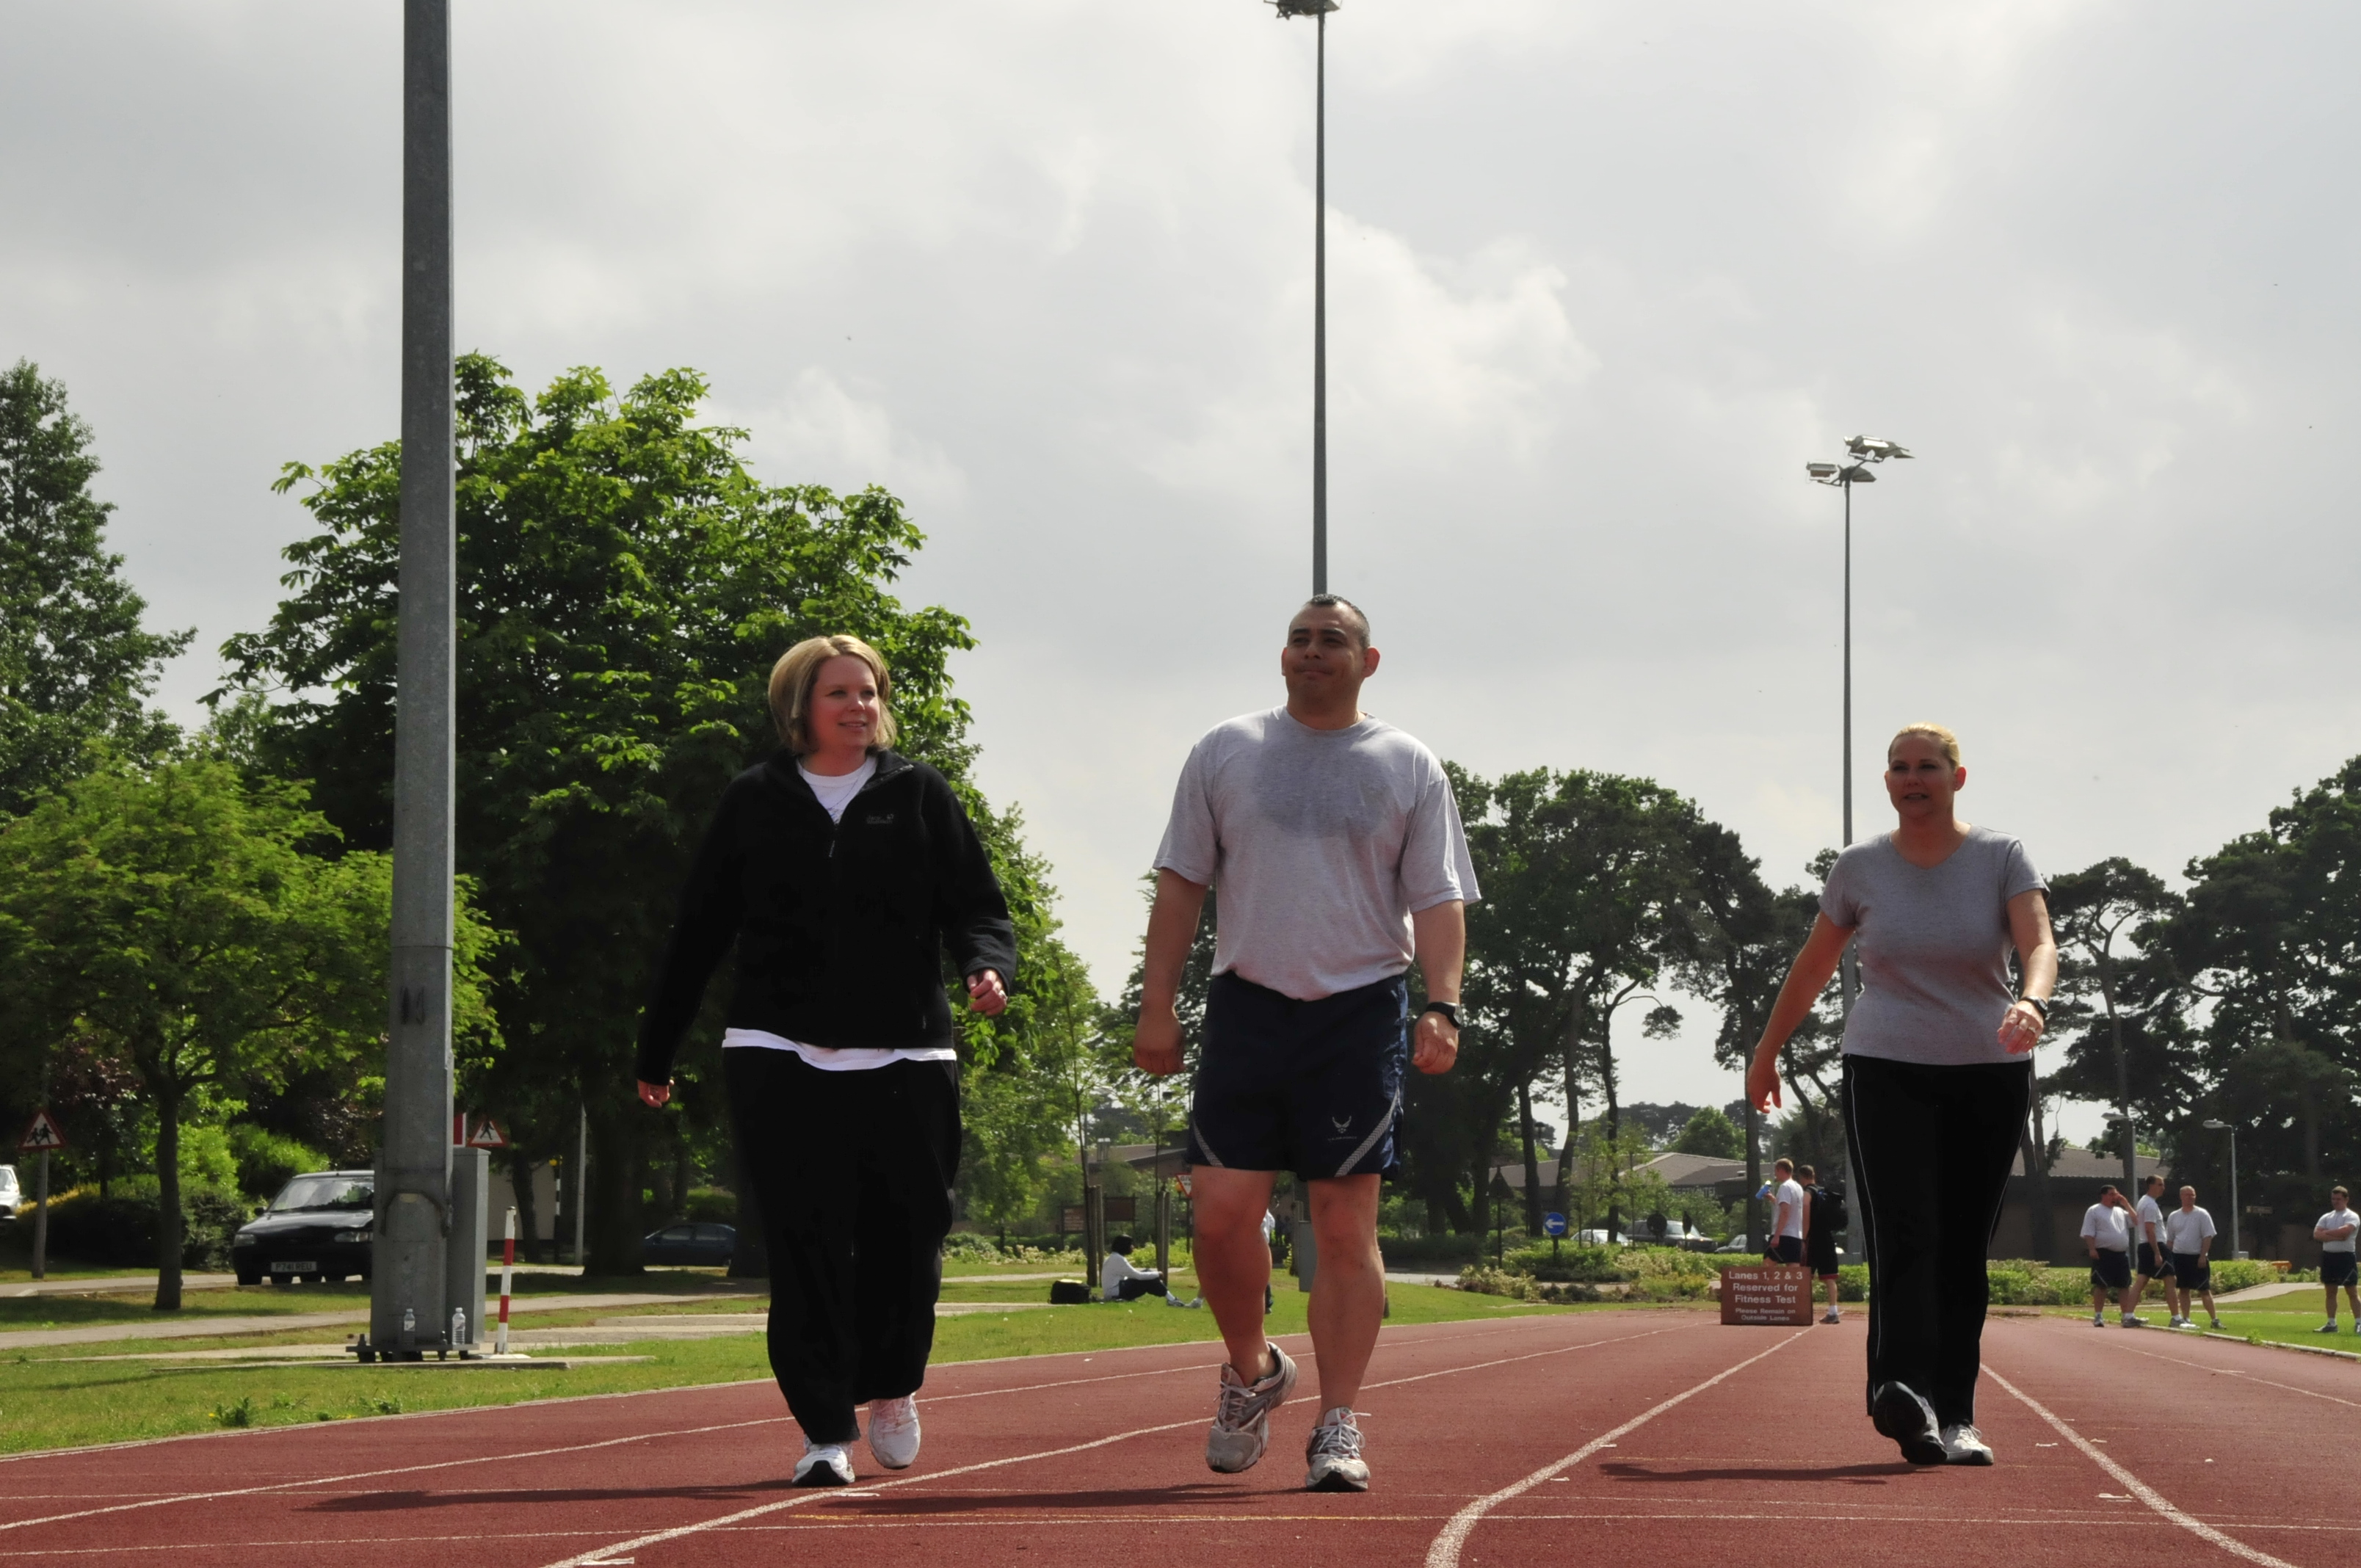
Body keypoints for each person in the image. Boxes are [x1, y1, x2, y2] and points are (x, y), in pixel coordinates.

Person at [634, 634, 1016, 1489]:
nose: (859, 706)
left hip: (908, 1050)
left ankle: (892, 1386)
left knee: (909, 1238)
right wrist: (656, 1048)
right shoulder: (754, 801)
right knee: (802, 1245)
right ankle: (822, 1430)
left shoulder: (919, 794)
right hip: (778, 1048)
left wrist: (987, 966)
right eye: (840, 693)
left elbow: (977, 906)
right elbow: (698, 932)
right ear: (800, 706)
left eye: (870, 692)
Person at [1133, 595, 1476, 1495]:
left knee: (1341, 1223)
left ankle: (1338, 1421)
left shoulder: (1407, 763)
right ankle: (1252, 1371)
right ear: (1280, 656)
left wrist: (1441, 1006)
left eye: (1333, 640)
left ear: (1369, 662)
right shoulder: (1225, 751)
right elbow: (1180, 887)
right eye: (1298, 638)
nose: (1312, 651)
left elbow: (1439, 901)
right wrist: (1156, 1004)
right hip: (1246, 1007)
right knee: (1217, 1217)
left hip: (1357, 1013)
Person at [1747, 722, 2054, 1469]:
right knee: (1904, 1232)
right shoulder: (1860, 867)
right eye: (1898, 768)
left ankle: (1958, 1415)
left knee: (1961, 1248)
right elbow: (1814, 964)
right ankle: (1901, 1393)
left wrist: (2033, 1003)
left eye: (1927, 766)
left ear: (1958, 777)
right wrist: (1767, 1050)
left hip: (1988, 1068)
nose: (1912, 778)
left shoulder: (2001, 857)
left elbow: (2039, 941)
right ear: (1886, 782)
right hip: (1886, 1067)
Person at [2080, 1185, 2140, 1327]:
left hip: (2121, 1254)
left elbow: (2136, 1221)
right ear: (2104, 1195)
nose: (2115, 1197)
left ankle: (2126, 1316)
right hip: (2103, 1253)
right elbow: (2088, 1232)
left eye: (2116, 1194)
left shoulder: (2120, 1211)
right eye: (2112, 1194)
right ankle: (2098, 1316)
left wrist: (2126, 1204)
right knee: (2102, 1285)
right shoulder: (2094, 1210)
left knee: (2124, 1286)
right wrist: (2092, 1249)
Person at [2164, 1186, 2222, 1330]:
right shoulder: (2174, 1216)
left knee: (2204, 1290)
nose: (2191, 1198)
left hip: (2197, 1257)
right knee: (2184, 1289)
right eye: (2188, 1195)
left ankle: (2215, 1320)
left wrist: (2203, 1256)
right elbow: (2170, 1239)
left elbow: (2208, 1236)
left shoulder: (2202, 1214)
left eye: (2193, 1195)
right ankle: (2186, 1318)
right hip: (2179, 1257)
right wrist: (2167, 1258)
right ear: (2181, 1197)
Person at [1799, 1164, 1843, 1324]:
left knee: (1805, 1276)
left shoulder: (1808, 1193)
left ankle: (1802, 1311)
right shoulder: (1824, 1192)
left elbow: (1805, 1212)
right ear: (1814, 1175)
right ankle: (1833, 1312)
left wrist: (1804, 1239)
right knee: (1829, 1277)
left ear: (1802, 1177)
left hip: (1813, 1239)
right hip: (1828, 1238)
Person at [2316, 1187, 2360, 1332]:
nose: (2335, 1202)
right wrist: (2336, 1236)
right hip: (2329, 1257)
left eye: (2338, 1199)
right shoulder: (2326, 1217)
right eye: (2333, 1199)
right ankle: (2331, 1324)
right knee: (2330, 1292)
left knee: (2352, 1292)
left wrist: (2326, 1233)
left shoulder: (2351, 1216)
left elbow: (2346, 1232)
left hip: (2345, 1257)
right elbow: (2317, 1234)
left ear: (2346, 1199)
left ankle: (2359, 1323)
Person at [2133, 1174, 2170, 1312]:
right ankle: (2176, 1317)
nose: (2163, 1188)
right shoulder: (2150, 1205)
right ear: (2151, 1186)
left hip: (2145, 1245)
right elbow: (2150, 1230)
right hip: (2156, 1245)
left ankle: (2128, 1315)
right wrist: (2157, 1253)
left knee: (2141, 1280)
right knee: (2170, 1280)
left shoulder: (2144, 1201)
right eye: (2160, 1185)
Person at [1102, 1235, 1172, 1302]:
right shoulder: (1118, 1259)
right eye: (1131, 1245)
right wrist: (1157, 1274)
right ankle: (1172, 1299)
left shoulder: (1113, 1257)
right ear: (1125, 1246)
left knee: (1147, 1273)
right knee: (1147, 1278)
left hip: (1113, 1291)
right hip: (1115, 1293)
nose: (1133, 1247)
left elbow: (1130, 1276)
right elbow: (1138, 1276)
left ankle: (1171, 1298)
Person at [1766, 1159, 1807, 1266]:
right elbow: (1789, 1207)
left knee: (1766, 1268)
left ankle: (1770, 1284)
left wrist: (1777, 1236)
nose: (1775, 1174)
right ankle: (1792, 1284)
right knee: (1793, 1273)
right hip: (1795, 1236)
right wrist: (1773, 1199)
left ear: (1780, 1170)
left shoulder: (1785, 1187)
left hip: (1784, 1235)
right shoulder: (1798, 1187)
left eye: (1776, 1170)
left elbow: (1785, 1212)